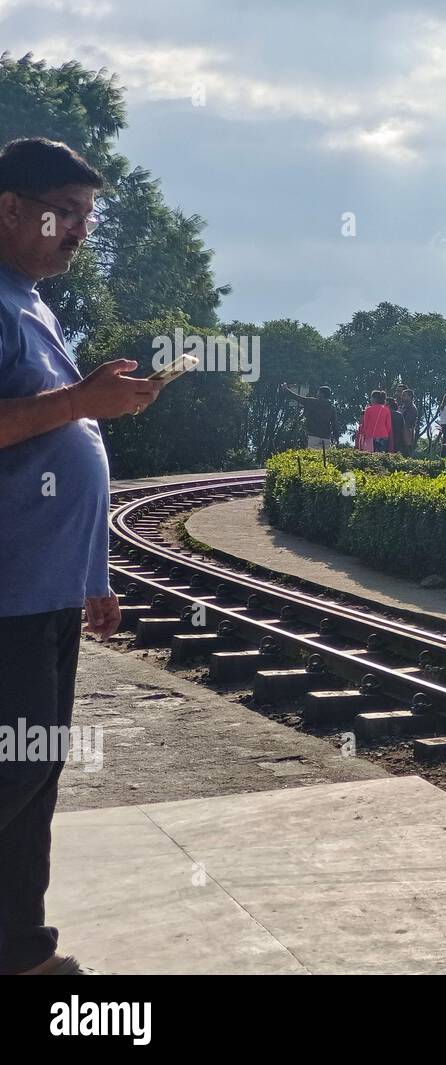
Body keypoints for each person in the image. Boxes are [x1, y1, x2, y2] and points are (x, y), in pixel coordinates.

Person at [0, 138, 167, 976]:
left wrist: (94, 572)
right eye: (65, 214)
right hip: (8, 594)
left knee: (35, 770)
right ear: (10, 206)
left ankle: (21, 951)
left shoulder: (29, 301)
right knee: (15, 771)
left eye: (86, 221)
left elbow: (63, 438)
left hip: (47, 590)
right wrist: (83, 398)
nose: (77, 235)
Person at [280, 383, 338, 449]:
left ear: (321, 394)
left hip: (313, 436)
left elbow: (298, 398)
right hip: (326, 437)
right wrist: (336, 438)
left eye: (318, 392)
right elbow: (334, 425)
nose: (317, 394)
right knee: (324, 457)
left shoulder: (313, 402)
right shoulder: (332, 408)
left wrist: (286, 390)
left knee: (313, 457)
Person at [398, 388, 419, 456]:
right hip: (402, 433)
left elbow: (407, 423)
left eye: (404, 395)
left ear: (410, 397)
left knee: (406, 453)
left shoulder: (412, 408)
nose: (402, 397)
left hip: (407, 434)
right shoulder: (404, 407)